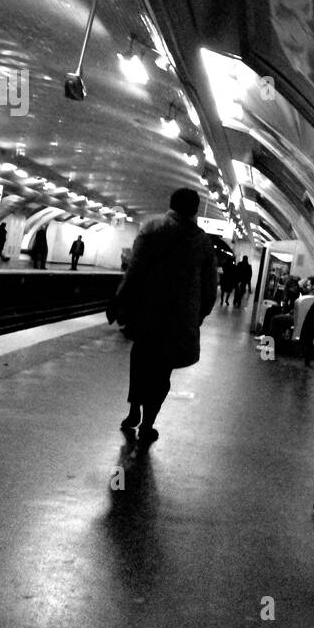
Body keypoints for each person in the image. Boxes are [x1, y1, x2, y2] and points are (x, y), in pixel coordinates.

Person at [108, 188, 217, 446]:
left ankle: (134, 409)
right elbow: (210, 286)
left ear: (171, 203)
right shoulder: (202, 241)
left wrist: (120, 300)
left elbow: (134, 271)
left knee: (141, 362)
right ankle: (148, 423)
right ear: (195, 209)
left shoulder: (151, 228)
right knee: (162, 372)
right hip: (179, 320)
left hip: (147, 313)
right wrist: (199, 314)